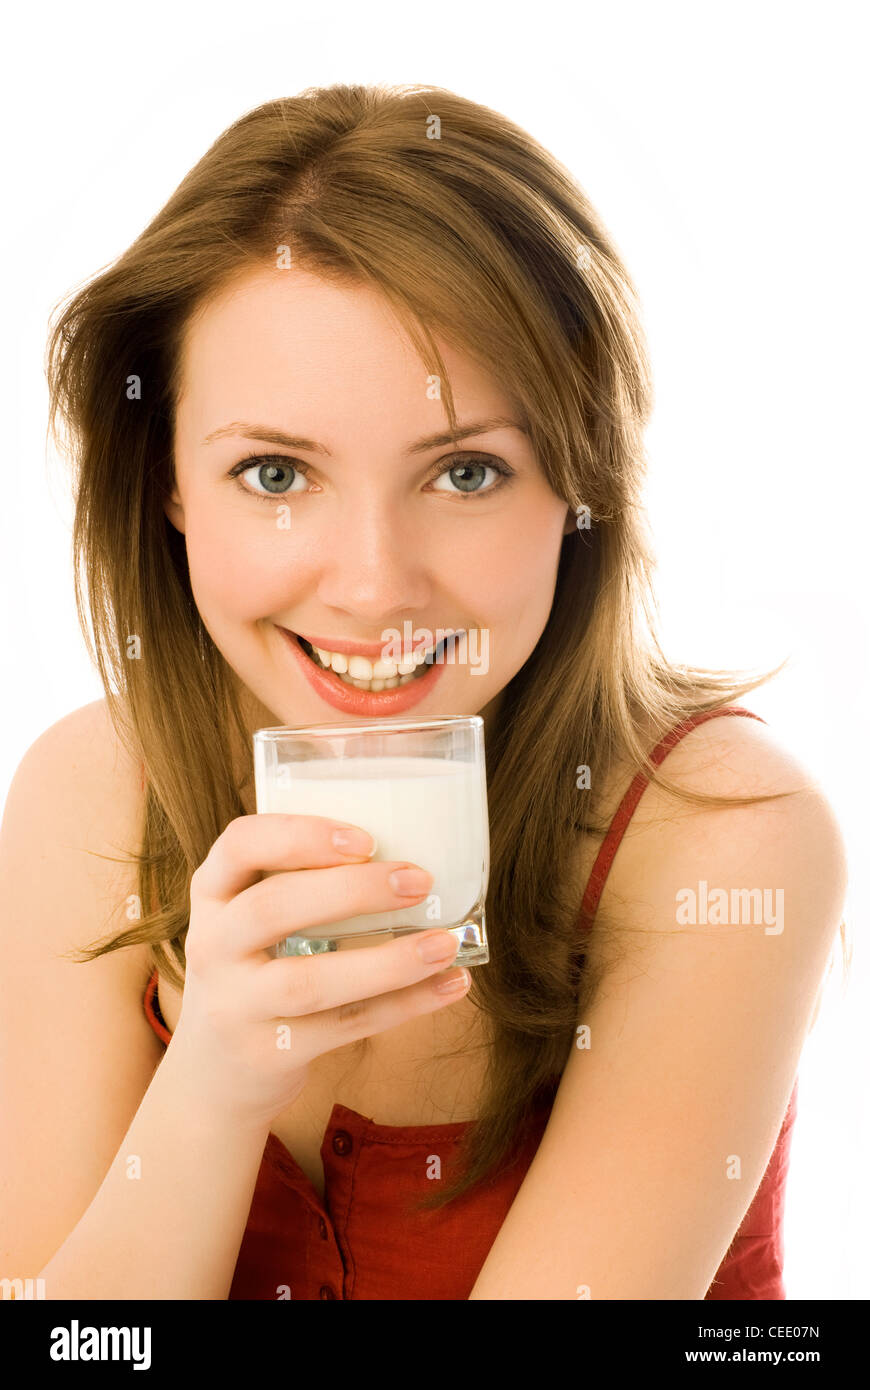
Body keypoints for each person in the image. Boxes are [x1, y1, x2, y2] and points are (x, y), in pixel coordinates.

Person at [0, 82, 848, 1301]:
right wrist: (214, 1083)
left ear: (581, 484)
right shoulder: (87, 795)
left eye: (464, 471)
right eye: (276, 469)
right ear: (167, 484)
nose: (371, 585)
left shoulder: (724, 838)